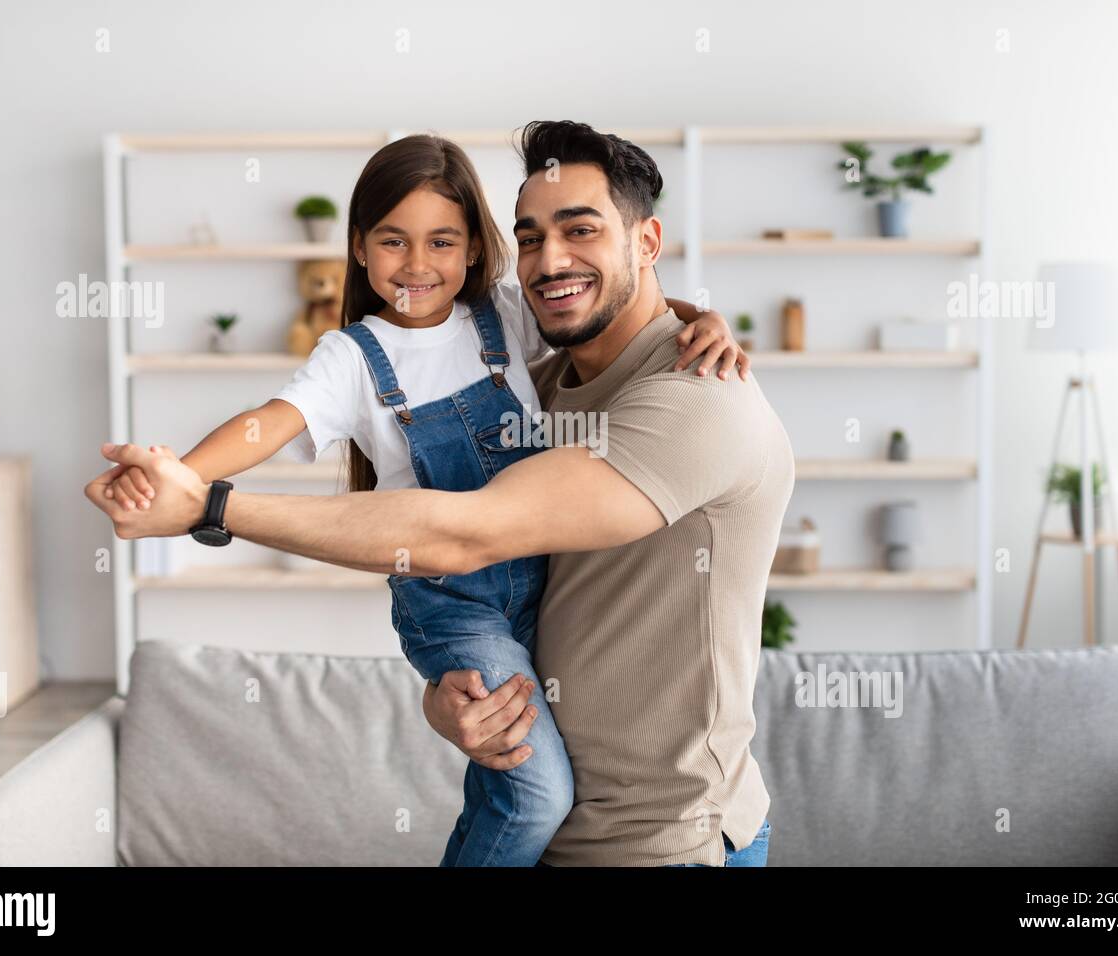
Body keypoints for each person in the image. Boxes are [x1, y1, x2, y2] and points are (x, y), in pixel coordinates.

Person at [86, 120, 794, 867]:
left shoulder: (700, 400)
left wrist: (207, 506)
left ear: (647, 241)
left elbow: (468, 534)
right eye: (530, 237)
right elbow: (285, 430)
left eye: (581, 229)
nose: (550, 260)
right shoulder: (541, 387)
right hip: (561, 834)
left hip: (663, 845)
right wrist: (445, 700)